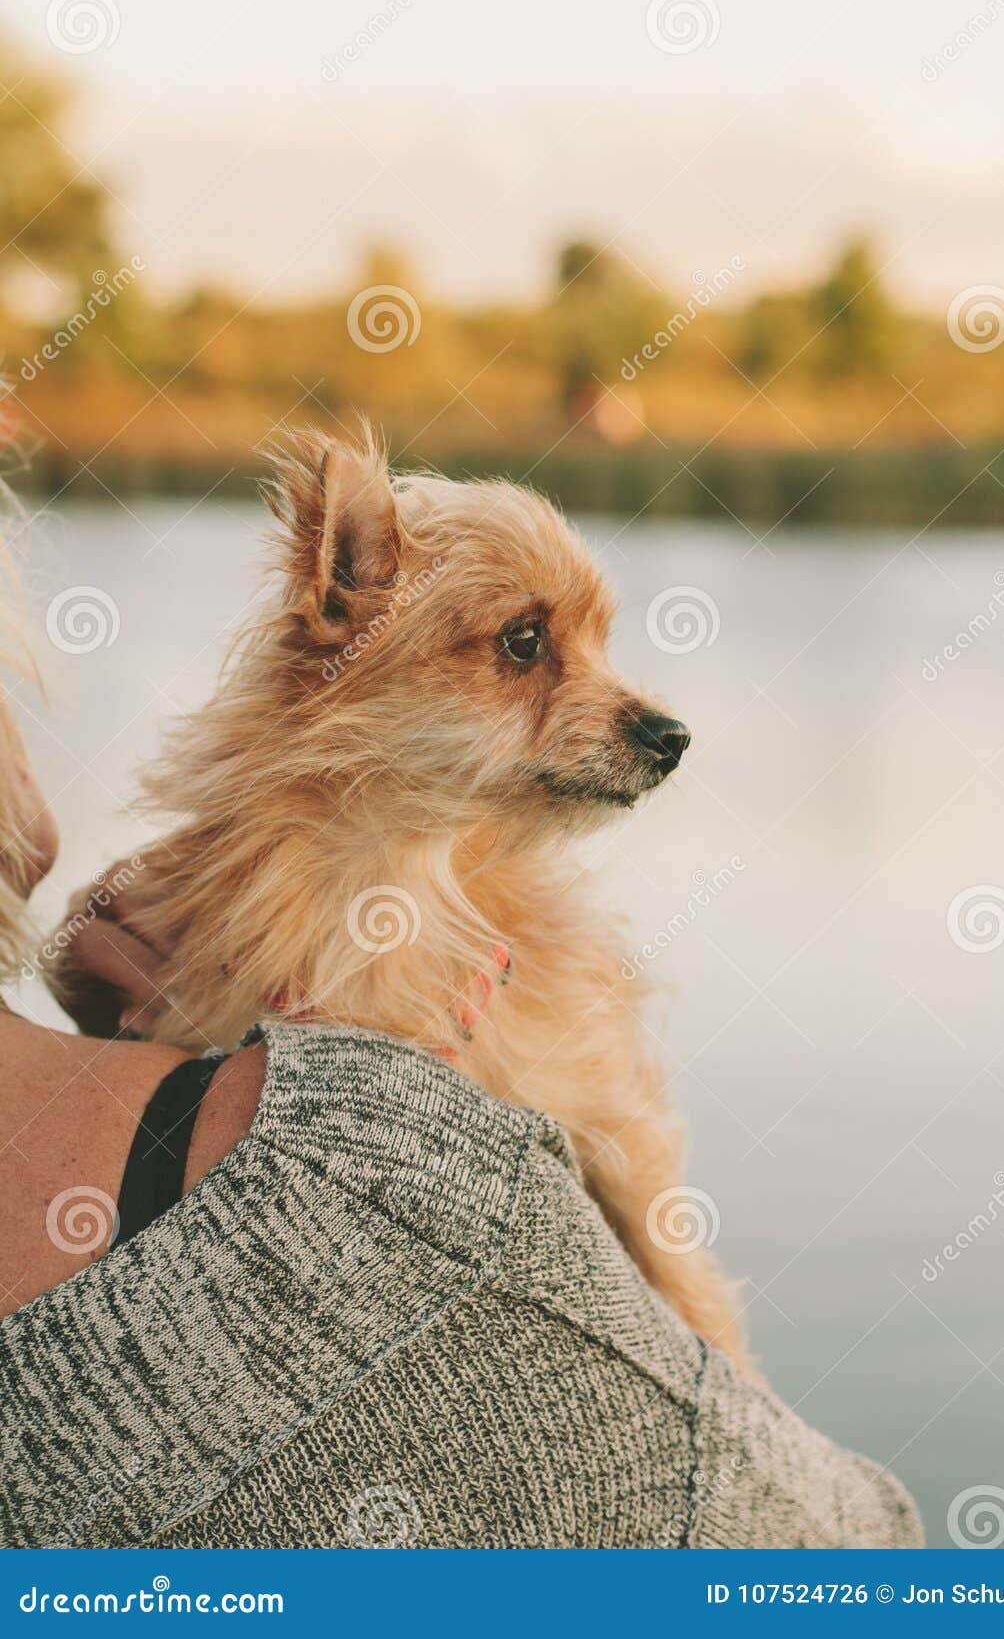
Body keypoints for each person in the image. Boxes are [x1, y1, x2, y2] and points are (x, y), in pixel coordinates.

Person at [0, 603, 923, 1550]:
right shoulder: (429, 1189)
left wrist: (166, 1069)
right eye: (523, 648)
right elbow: (849, 1556)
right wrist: (379, 1126)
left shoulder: (151, 992)